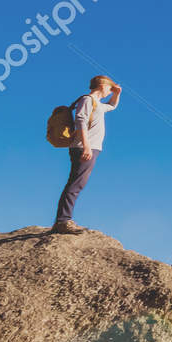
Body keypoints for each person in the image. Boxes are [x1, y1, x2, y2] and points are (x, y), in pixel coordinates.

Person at [51, 75, 121, 235]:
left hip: (90, 148)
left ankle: (63, 220)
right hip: (84, 147)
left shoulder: (97, 104)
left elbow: (112, 106)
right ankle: (62, 221)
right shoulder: (87, 100)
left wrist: (117, 93)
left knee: (78, 183)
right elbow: (80, 121)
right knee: (76, 183)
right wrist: (86, 146)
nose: (109, 93)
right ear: (103, 86)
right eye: (110, 89)